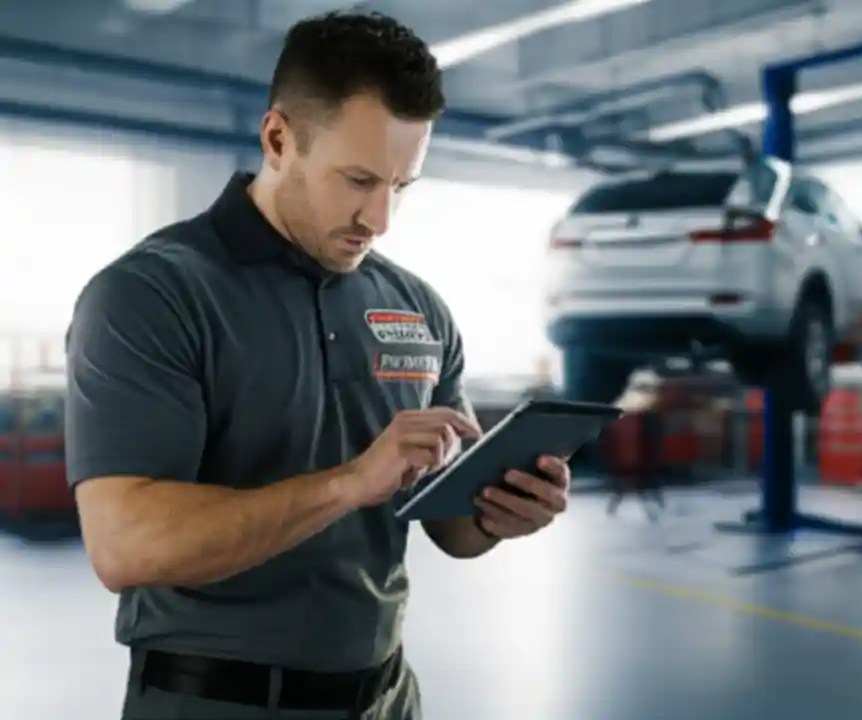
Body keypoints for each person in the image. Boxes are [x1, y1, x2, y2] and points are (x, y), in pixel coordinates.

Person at [63, 11, 571, 720]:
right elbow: (125, 545)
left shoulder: (417, 307)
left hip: (387, 698)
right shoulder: (153, 294)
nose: (381, 218)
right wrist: (348, 484)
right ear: (278, 139)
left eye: (402, 185)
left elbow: (451, 530)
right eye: (359, 179)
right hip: (216, 703)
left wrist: (499, 511)